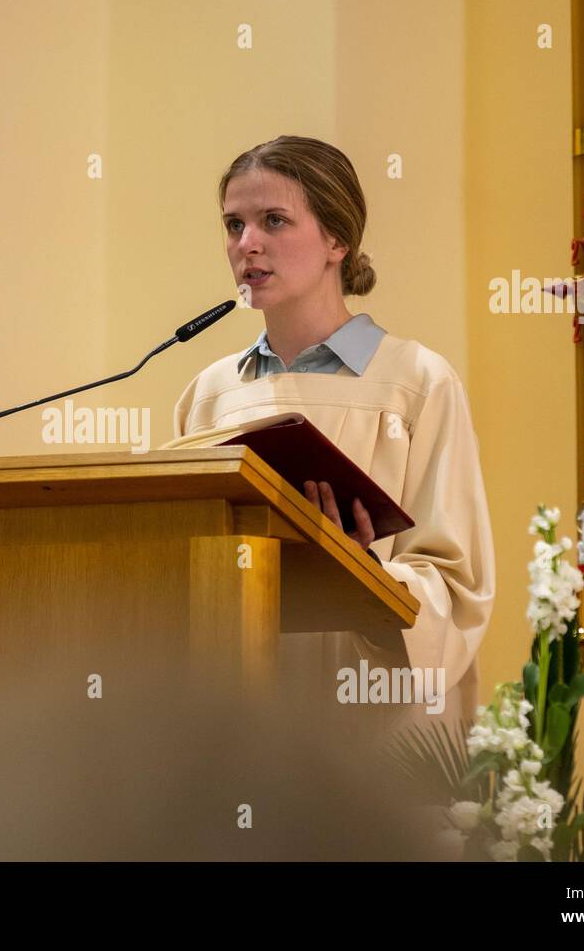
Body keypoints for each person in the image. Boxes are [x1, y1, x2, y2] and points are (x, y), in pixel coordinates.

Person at [171, 136, 495, 741]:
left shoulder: (417, 382)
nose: (248, 245)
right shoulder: (209, 394)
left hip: (370, 718)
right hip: (240, 718)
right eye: (233, 224)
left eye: (274, 221)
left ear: (337, 240)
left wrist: (361, 574)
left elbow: (457, 587)